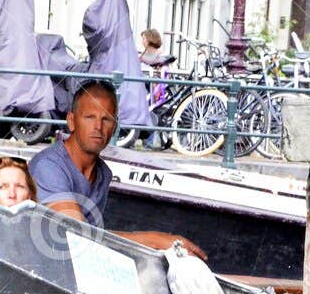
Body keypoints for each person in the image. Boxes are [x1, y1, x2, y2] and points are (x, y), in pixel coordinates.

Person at [29, 80, 207, 258]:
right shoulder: (49, 166)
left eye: (106, 119)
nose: (98, 127)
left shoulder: (103, 173)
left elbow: (93, 240)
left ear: (114, 127)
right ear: (72, 121)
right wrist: (154, 240)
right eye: (89, 117)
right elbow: (77, 235)